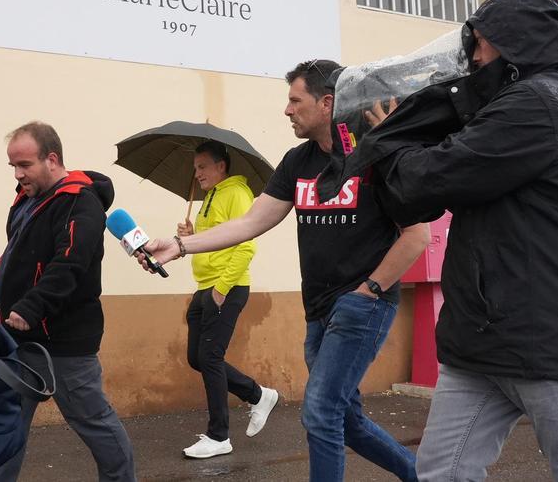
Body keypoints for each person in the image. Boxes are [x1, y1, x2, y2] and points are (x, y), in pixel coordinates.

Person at [372, 0, 558, 481]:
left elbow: (429, 179)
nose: (473, 57)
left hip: (550, 341)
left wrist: (391, 140)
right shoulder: (508, 104)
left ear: (513, 44)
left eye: (481, 44)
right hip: (481, 343)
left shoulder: (539, 104)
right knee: (442, 472)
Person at [141, 60, 429, 481]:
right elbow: (250, 223)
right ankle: (422, 475)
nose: (287, 110)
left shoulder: (375, 153)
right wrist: (180, 246)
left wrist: (367, 290)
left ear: (327, 102)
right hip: (319, 312)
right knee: (343, 418)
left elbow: (417, 235)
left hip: (362, 306)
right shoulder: (298, 162)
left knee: (321, 411)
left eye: (295, 100)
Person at [0, 121, 136, 482]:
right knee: (3, 426)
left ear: (52, 159)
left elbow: (71, 262)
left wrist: (32, 306)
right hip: (18, 337)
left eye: (25, 165)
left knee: (92, 421)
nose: (18, 175)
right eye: (13, 167)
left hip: (62, 343)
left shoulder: (81, 202)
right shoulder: (28, 199)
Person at [175, 140, 279, 459]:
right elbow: (214, 242)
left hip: (226, 288)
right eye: (195, 169)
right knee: (197, 357)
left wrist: (221, 289)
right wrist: (191, 235)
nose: (198, 174)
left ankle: (219, 436)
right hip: (205, 287)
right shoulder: (211, 197)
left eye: (203, 167)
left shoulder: (236, 193)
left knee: (210, 356)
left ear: (221, 166)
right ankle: (258, 395)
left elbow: (246, 245)